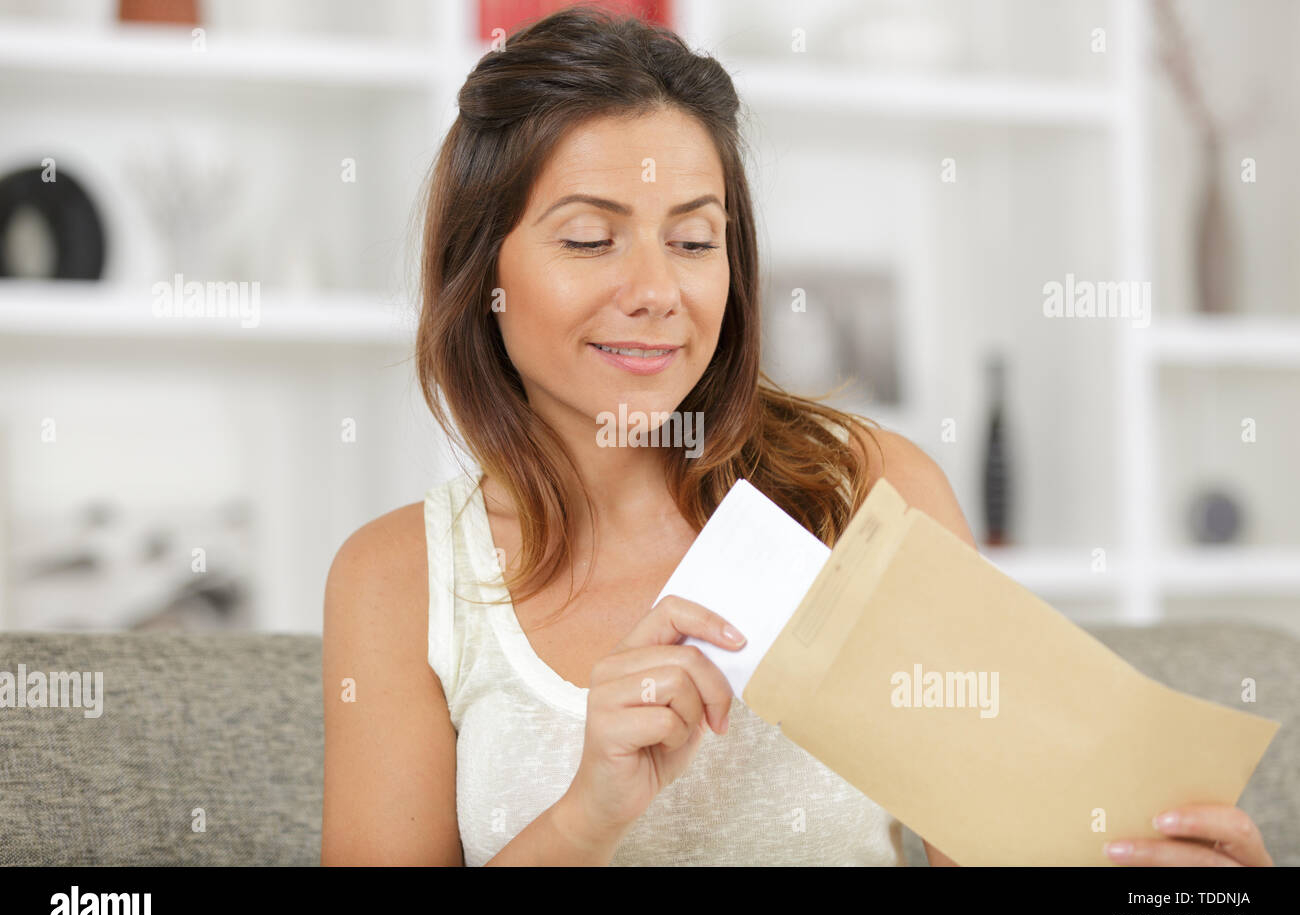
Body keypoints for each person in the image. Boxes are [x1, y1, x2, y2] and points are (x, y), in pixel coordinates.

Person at [320, 7, 1272, 867]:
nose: (657, 291)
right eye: (588, 239)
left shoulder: (866, 493)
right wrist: (584, 819)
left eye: (695, 242)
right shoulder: (399, 578)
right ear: (480, 272)